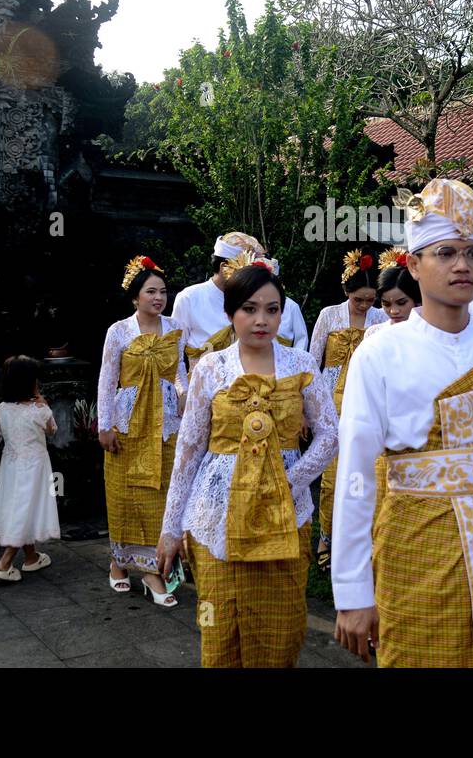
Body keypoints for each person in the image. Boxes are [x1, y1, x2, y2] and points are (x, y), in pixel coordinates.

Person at [332, 178, 473, 667]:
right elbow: (354, 476)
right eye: (446, 253)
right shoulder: (381, 352)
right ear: (413, 265)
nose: (463, 265)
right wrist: (353, 591)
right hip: (414, 544)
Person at [157, 254, 339, 667]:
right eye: (249, 309)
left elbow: (330, 434)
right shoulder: (211, 368)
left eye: (272, 310)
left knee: (283, 631)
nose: (262, 320)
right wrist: (170, 529)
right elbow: (188, 451)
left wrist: (289, 478)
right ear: (230, 313)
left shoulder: (302, 364)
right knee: (219, 628)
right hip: (215, 514)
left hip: (286, 514)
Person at [95, 256, 186, 604]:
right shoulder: (118, 331)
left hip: (165, 423)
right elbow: (107, 380)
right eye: (151, 292)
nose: (158, 297)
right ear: (135, 297)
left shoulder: (175, 328)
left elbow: (179, 370)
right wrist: (105, 425)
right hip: (128, 422)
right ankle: (119, 563)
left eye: (162, 291)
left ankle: (153, 571)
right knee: (124, 495)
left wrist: (183, 393)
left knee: (161, 495)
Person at [309, 248, 387, 573]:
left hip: (364, 400)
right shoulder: (329, 315)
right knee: (330, 477)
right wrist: (306, 409)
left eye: (370, 300)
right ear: (346, 292)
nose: (365, 306)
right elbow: (312, 361)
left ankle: (361, 540)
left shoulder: (381, 319)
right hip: (330, 402)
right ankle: (326, 537)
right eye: (359, 300)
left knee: (364, 473)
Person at [0, 355, 60, 582]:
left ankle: (31, 557)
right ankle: (5, 562)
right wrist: (44, 404)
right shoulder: (40, 410)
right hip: (35, 467)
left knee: (19, 506)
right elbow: (52, 431)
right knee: (25, 509)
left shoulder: (2, 409)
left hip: (10, 467)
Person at [172, 231, 283, 370]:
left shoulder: (256, 298)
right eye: (245, 267)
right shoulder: (188, 298)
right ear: (224, 267)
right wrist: (183, 389)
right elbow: (174, 352)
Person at [364, 247, 420, 339]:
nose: (393, 311)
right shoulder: (373, 334)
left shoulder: (431, 332)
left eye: (401, 303)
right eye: (386, 304)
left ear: (415, 299)